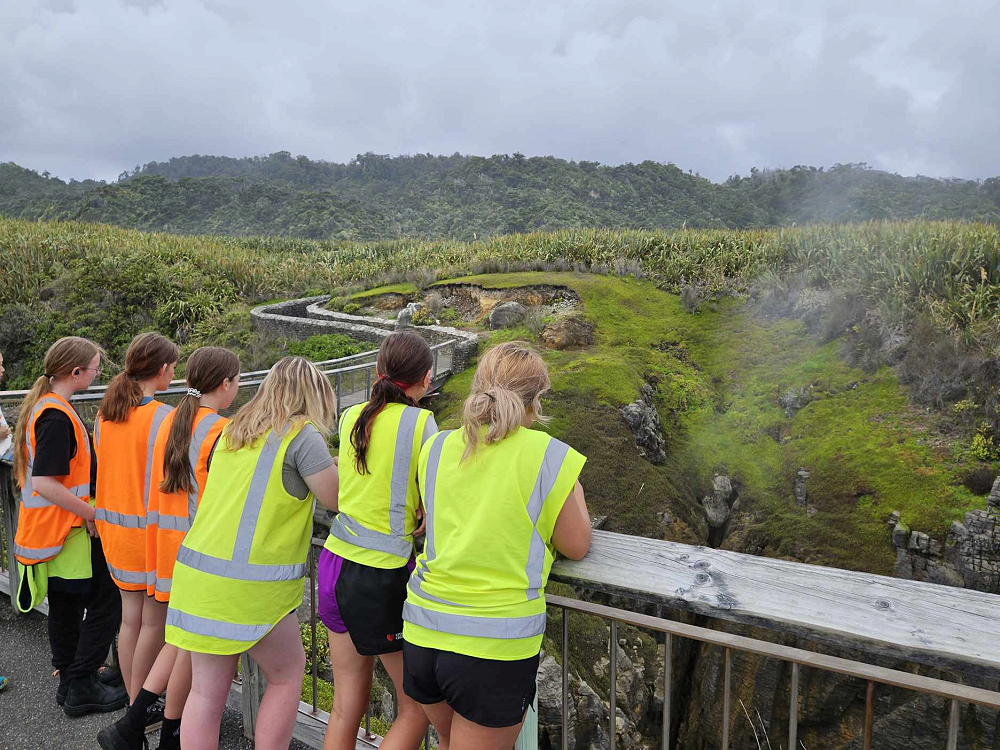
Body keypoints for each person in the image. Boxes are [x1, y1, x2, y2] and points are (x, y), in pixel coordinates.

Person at [401, 341, 592, 750]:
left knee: (449, 740)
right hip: (492, 646)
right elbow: (576, 545)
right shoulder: (548, 456)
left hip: (423, 632)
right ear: (536, 399)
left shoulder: (436, 447)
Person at [165, 356, 339, 750]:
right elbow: (334, 496)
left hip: (199, 577)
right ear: (313, 394)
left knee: (206, 694)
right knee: (286, 674)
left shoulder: (235, 430)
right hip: (250, 589)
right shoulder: (302, 435)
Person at [98, 347, 240, 750]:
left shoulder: (112, 413)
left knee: (138, 624)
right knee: (171, 635)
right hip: (177, 542)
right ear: (226, 384)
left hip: (134, 531)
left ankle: (135, 711)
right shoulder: (198, 425)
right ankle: (146, 720)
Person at [319, 332, 436, 750]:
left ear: (376, 371)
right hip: (380, 574)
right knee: (417, 709)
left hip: (334, 563)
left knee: (347, 703)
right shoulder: (422, 422)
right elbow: (429, 487)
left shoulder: (352, 415)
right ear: (426, 378)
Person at [11, 337, 127, 716]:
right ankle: (80, 683)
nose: (97, 374)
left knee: (65, 606)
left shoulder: (46, 408)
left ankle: (72, 684)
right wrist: (91, 513)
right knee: (108, 601)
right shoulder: (57, 416)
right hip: (67, 532)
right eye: (95, 368)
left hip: (51, 530)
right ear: (76, 373)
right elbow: (46, 482)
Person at [94, 332, 179, 706]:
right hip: (150, 536)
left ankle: (133, 699)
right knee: (154, 624)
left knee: (130, 621)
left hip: (114, 532)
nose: (174, 374)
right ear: (161, 369)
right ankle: (142, 705)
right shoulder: (165, 417)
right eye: (173, 367)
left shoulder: (105, 413)